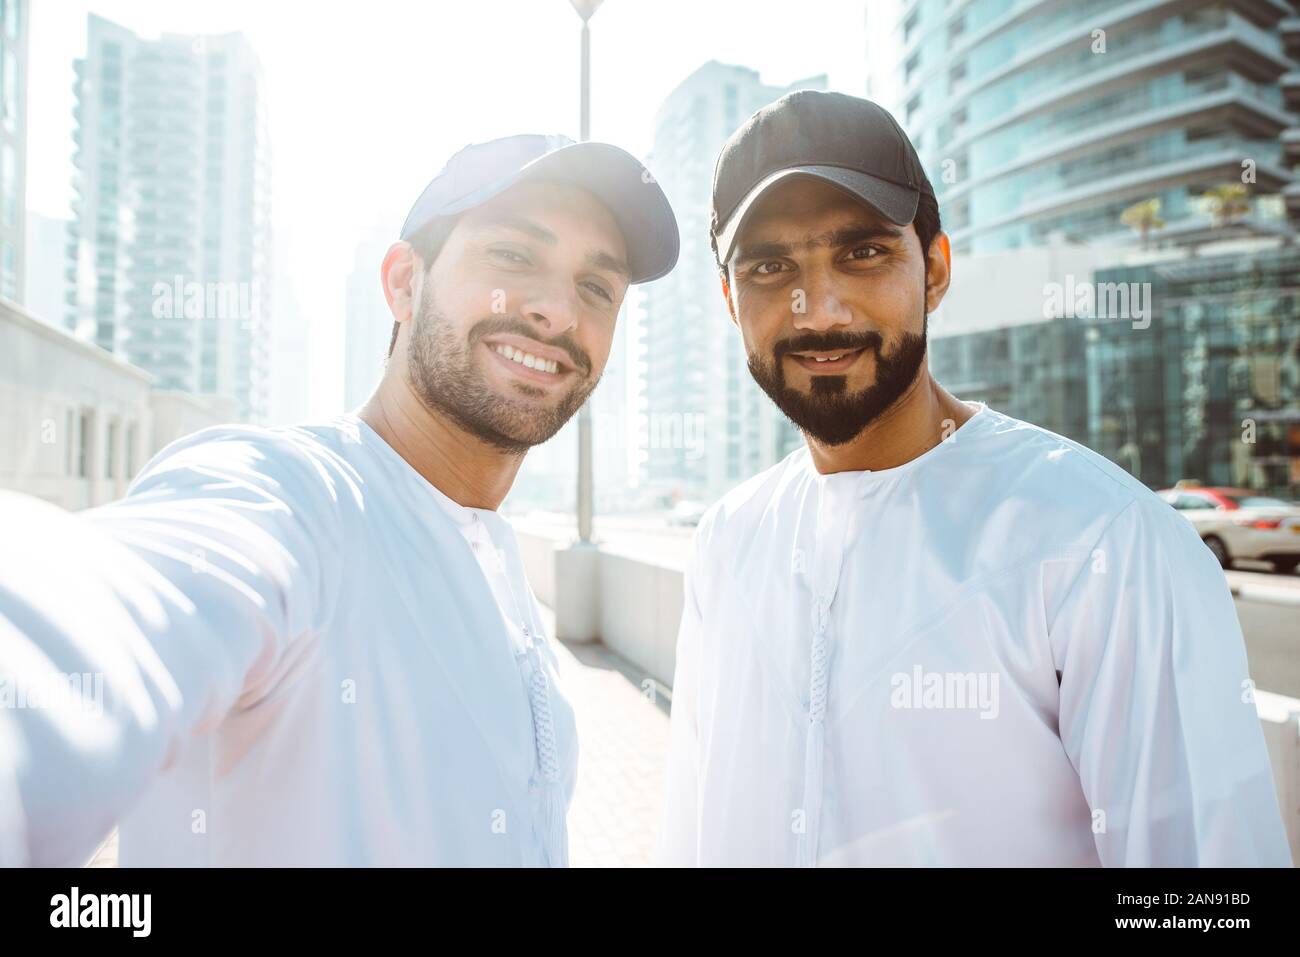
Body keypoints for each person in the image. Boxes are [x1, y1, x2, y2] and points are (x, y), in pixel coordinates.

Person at [0, 133, 678, 866]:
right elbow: (85, 622)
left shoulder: (492, 553)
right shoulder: (290, 498)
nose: (556, 311)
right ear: (403, 283)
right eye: (514, 257)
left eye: (597, 288)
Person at [656, 91, 1291, 867]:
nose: (816, 308)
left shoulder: (1103, 540)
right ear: (729, 300)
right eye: (768, 266)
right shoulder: (727, 540)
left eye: (862, 253)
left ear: (936, 269)